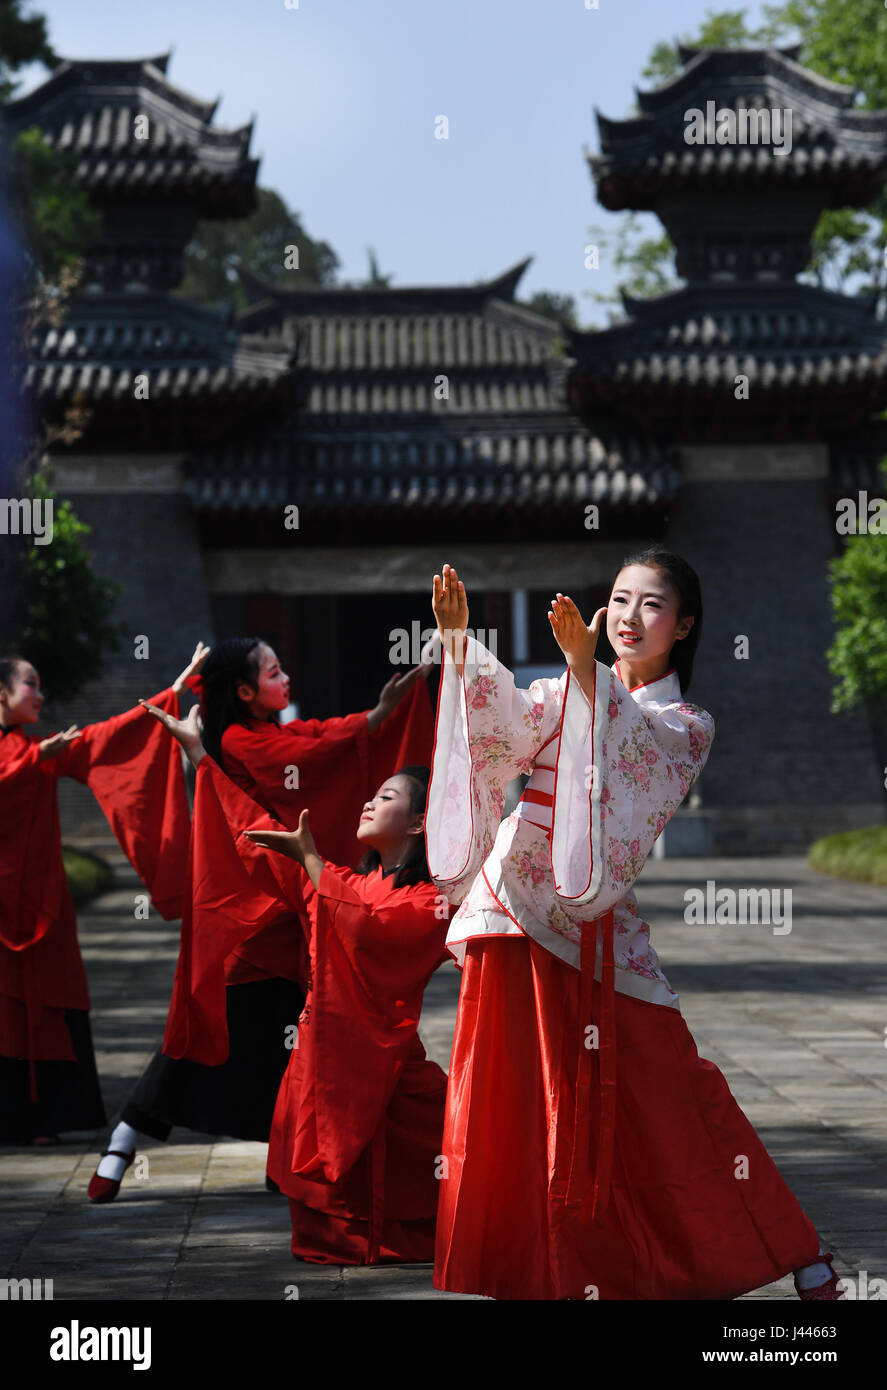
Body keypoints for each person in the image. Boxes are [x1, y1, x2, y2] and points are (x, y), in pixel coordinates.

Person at [425, 552, 843, 1301]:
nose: (627, 615)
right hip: (511, 908)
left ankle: (793, 1247)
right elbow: (507, 731)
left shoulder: (683, 723)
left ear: (682, 626)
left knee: (672, 1090)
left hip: (591, 929)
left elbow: (634, 760)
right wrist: (460, 648)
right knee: (510, 1099)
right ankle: (542, 1270)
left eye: (651, 605)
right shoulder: (564, 686)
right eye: (618, 598)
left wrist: (586, 677)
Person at [89, 636, 434, 1199]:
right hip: (255, 905)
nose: (286, 679)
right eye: (274, 672)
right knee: (214, 1030)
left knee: (278, 1040)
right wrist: (373, 720)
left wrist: (375, 715)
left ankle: (283, 1160)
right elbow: (311, 755)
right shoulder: (239, 739)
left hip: (281, 901)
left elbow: (313, 736)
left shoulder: (264, 731)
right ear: (247, 691)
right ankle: (126, 1136)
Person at [0, 646, 200, 1143]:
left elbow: (106, 738)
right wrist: (30, 765)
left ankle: (47, 1114)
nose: (40, 694)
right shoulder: (34, 754)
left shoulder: (41, 747)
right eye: (30, 683)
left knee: (51, 996)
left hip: (43, 901)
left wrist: (169, 694)